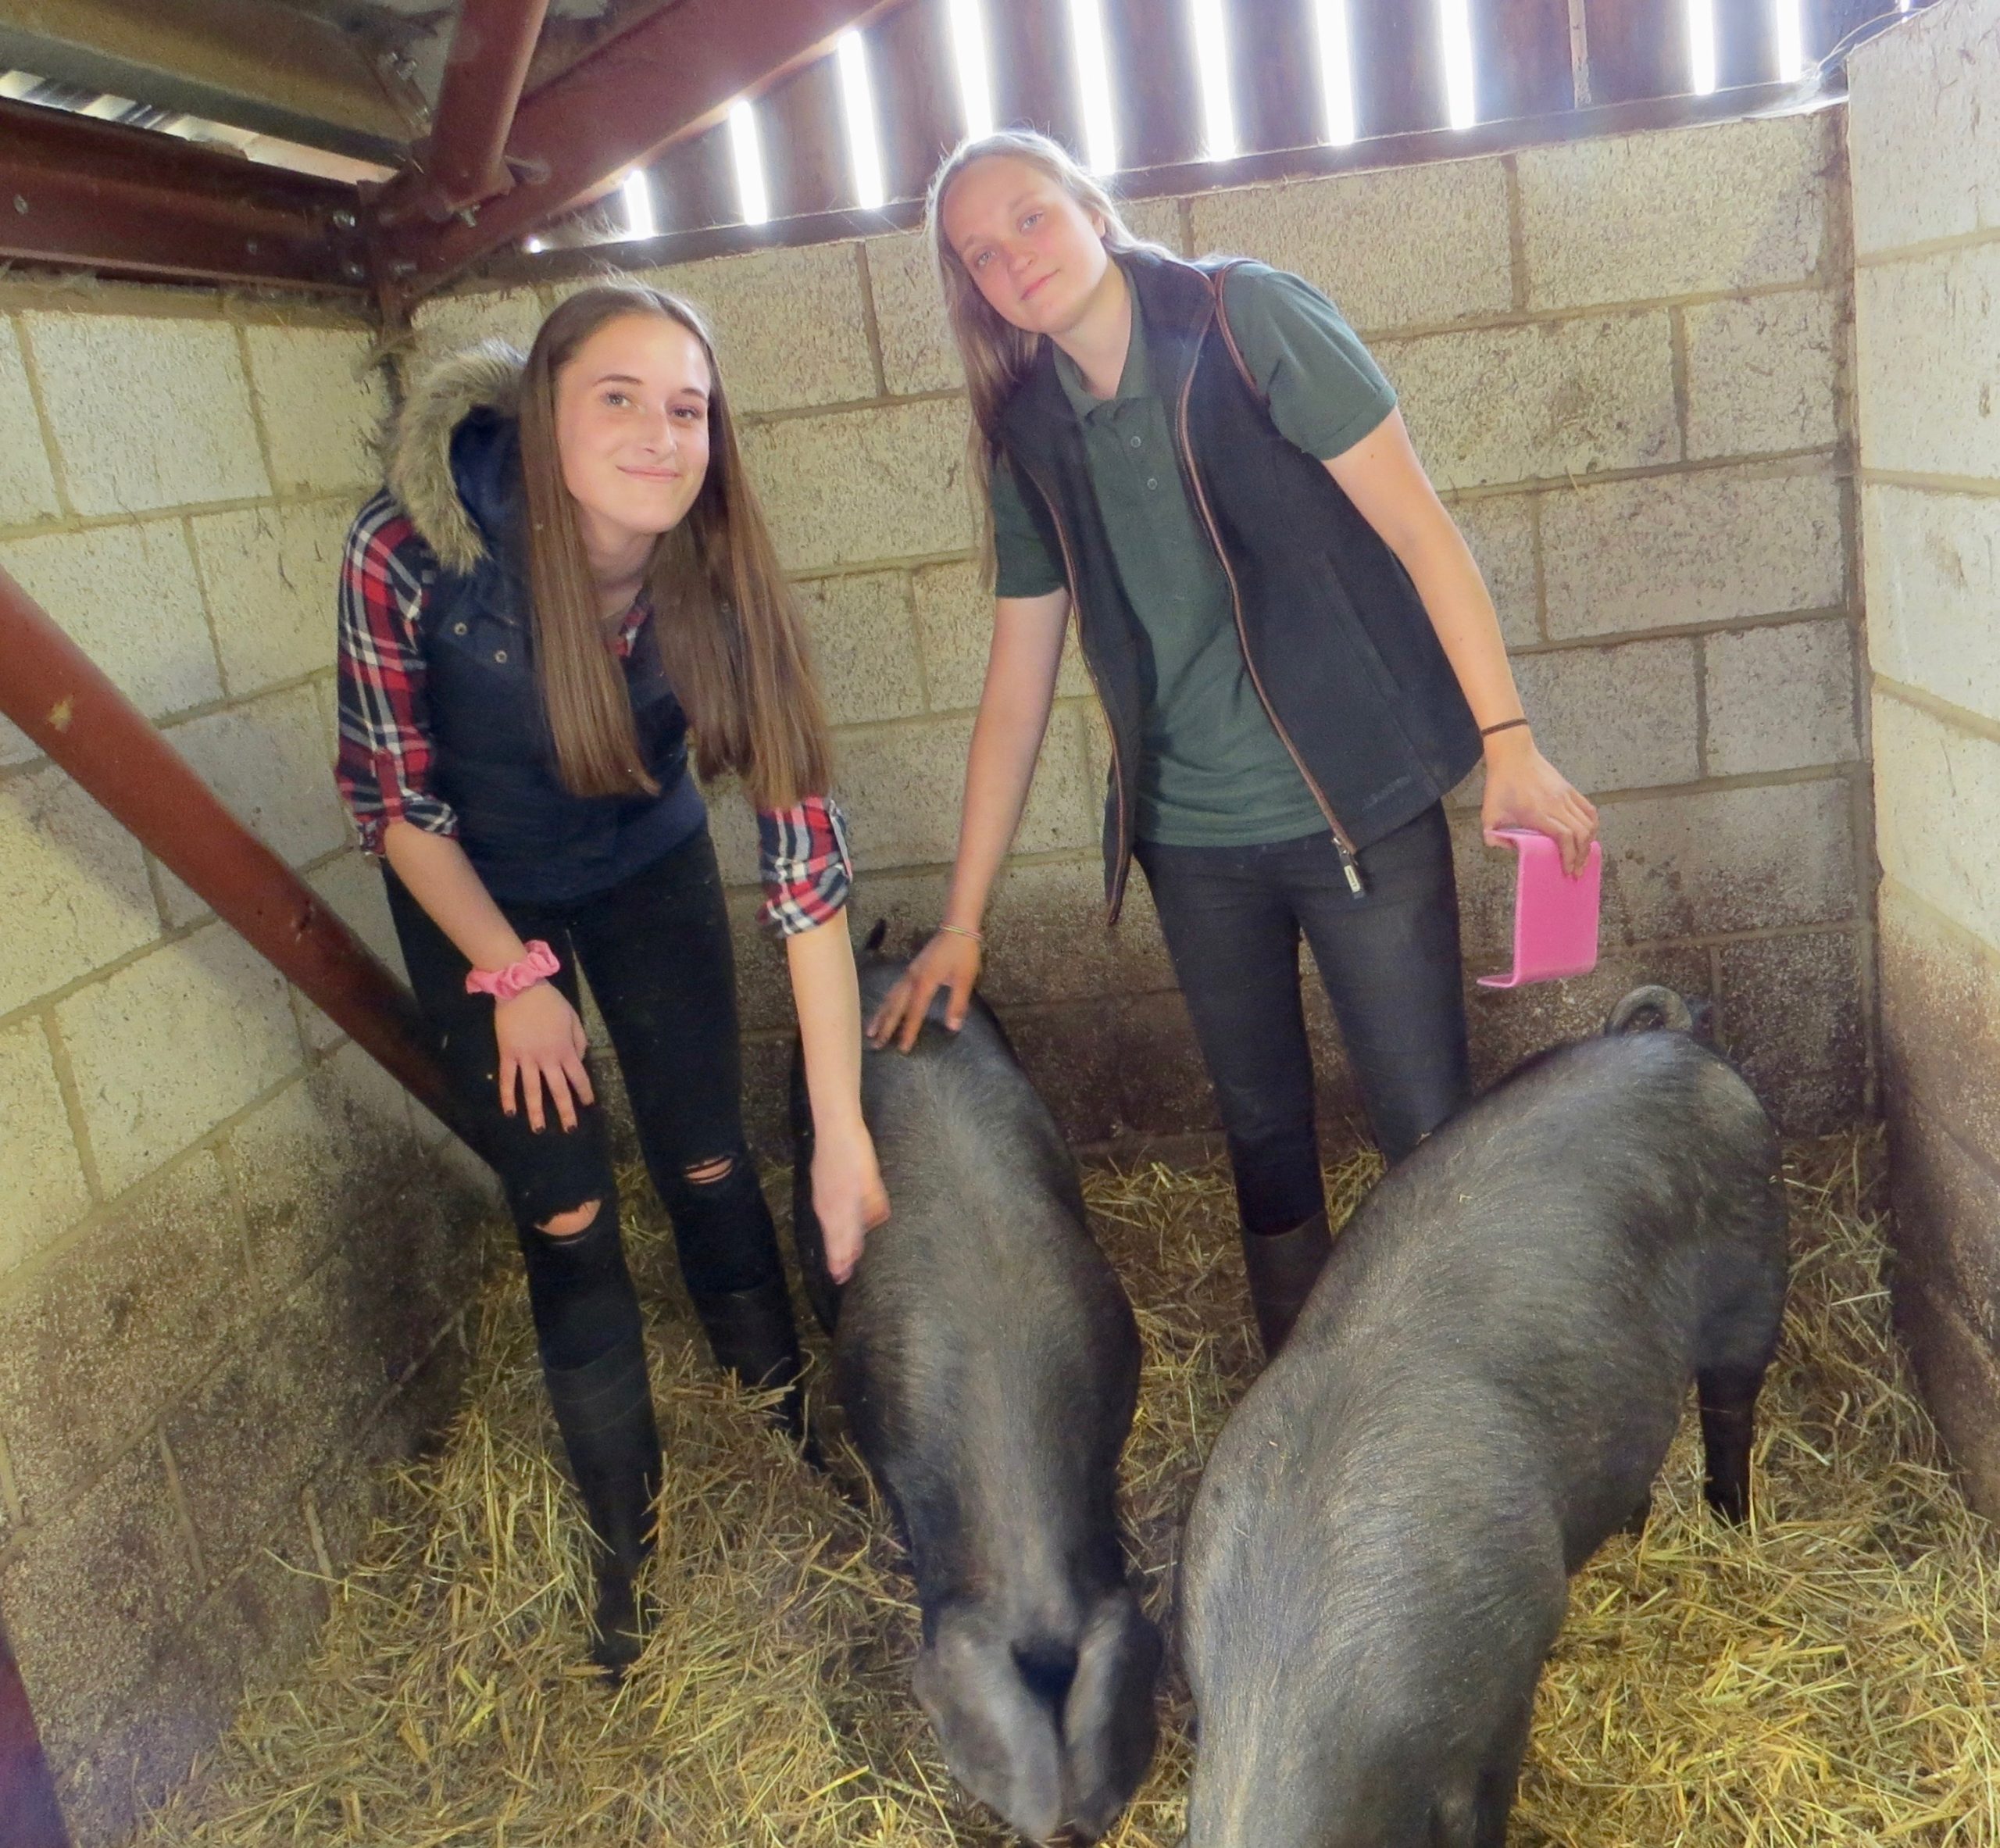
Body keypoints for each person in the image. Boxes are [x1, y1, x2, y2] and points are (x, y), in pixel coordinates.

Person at [871, 132, 1598, 1358]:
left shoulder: (1245, 318)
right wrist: (962, 916)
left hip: (1354, 809)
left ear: (1092, 208)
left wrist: (1510, 743)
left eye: (1029, 221)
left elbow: (1423, 532)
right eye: (979, 256)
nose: (1012, 263)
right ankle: (1300, 1391)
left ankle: (1473, 1385)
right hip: (1192, 842)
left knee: (1426, 1124)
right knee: (1261, 1130)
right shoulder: (1030, 438)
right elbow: (1017, 685)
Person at [335, 282, 888, 1675]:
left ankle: (784, 1431)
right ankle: (624, 1549)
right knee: (568, 1202)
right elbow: (394, 798)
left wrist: (843, 1135)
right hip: (477, 888)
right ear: (542, 418)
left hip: (641, 861)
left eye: (688, 407)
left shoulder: (718, 576)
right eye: (619, 399)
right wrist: (511, 972)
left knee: (710, 1161)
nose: (661, 434)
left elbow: (806, 875)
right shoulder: (407, 548)